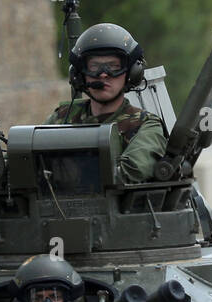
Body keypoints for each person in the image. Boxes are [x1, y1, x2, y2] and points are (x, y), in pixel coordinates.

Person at [44, 23, 166, 184]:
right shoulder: (62, 117)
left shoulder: (145, 125)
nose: (103, 75)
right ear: (80, 75)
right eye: (94, 66)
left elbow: (132, 171)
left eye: (113, 66)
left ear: (131, 73)